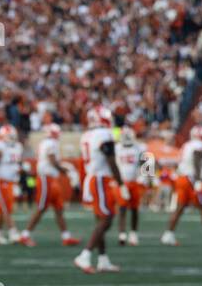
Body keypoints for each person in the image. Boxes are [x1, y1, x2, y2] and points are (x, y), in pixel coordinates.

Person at [74, 107, 125, 274]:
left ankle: (103, 260)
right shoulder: (103, 134)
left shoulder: (87, 135)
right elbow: (111, 161)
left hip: (93, 178)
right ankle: (85, 255)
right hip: (100, 180)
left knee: (100, 221)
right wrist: (121, 184)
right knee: (107, 219)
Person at [161, 125, 202, 246]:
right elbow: (196, 160)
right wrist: (197, 181)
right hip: (191, 180)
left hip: (183, 178)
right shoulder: (199, 146)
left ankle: (168, 234)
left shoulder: (187, 145)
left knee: (180, 208)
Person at [22, 123, 78, 247]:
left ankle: (66, 236)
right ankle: (25, 235)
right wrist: (65, 171)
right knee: (41, 208)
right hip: (46, 179)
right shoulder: (50, 143)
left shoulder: (46, 143)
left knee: (59, 209)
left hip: (51, 180)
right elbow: (52, 161)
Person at [0, 124, 22, 245]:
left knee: (2, 209)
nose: (12, 138)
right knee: (6, 208)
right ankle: (13, 232)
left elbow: (15, 164)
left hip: (10, 181)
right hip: (1, 181)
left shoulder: (17, 146)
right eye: (9, 136)